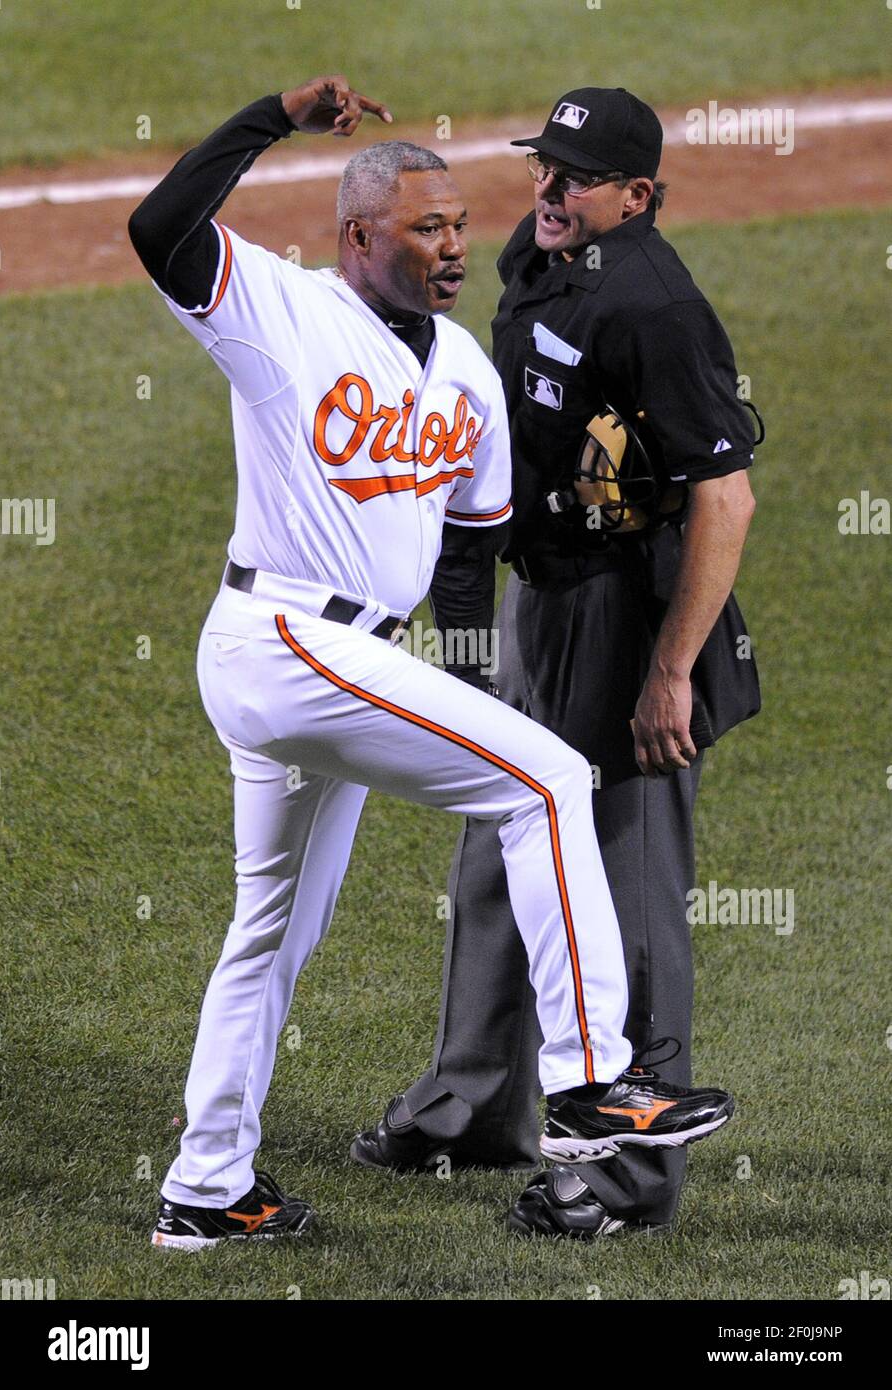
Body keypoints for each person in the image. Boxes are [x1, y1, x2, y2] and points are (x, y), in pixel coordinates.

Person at [127, 76, 734, 1250]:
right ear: (359, 236)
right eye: (426, 229)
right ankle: (591, 1081)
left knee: (273, 932)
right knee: (550, 779)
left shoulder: (460, 362)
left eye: (461, 224)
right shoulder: (278, 307)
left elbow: (468, 550)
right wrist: (268, 118)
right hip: (284, 639)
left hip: (349, 659)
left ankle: (205, 1187)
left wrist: (460, 680)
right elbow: (160, 230)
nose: (457, 246)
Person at [351, 86, 760, 1239]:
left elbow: (724, 495)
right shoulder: (543, 265)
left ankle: (632, 1177)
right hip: (544, 601)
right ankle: (475, 1106)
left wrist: (670, 672)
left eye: (576, 177)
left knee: (624, 897)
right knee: (497, 848)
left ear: (636, 194)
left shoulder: (656, 303)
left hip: (630, 621)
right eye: (543, 167)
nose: (547, 189)